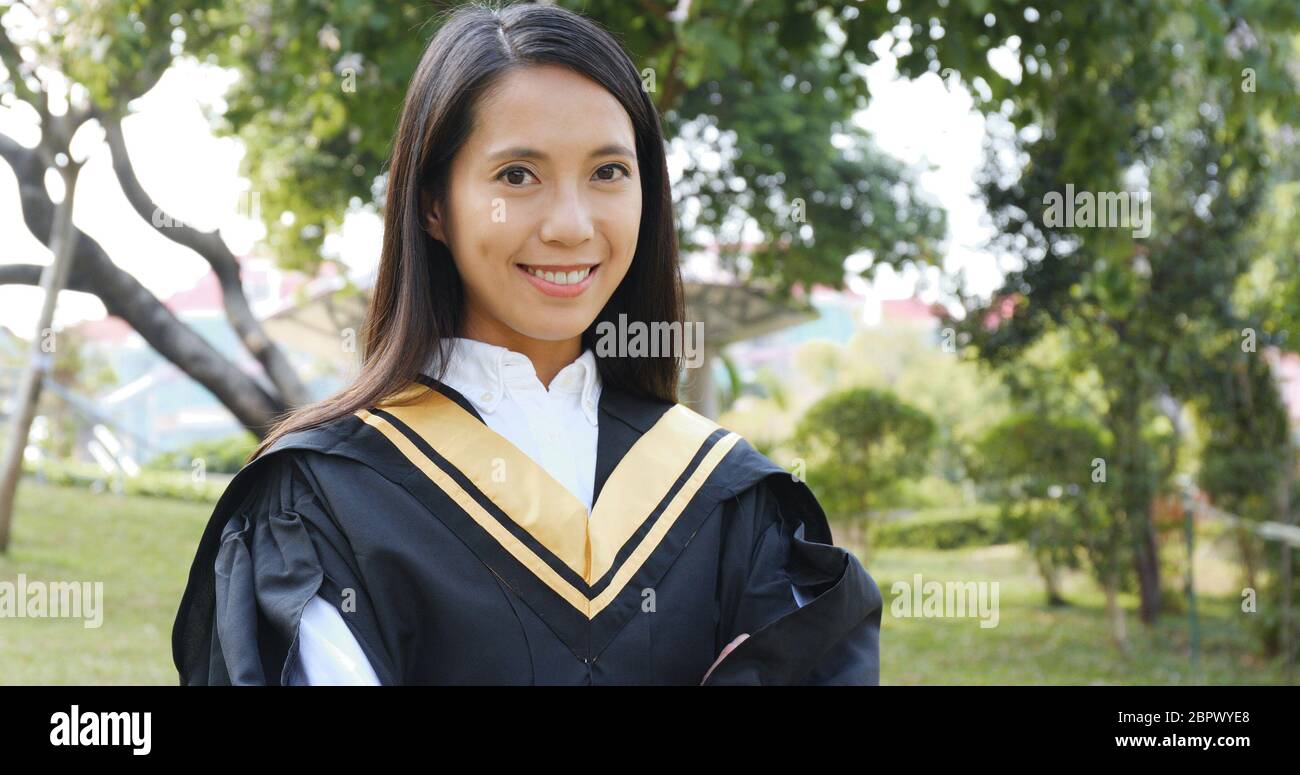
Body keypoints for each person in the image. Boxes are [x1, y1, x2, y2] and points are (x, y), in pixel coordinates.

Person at [171, 1, 882, 686]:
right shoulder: (325, 503)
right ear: (432, 204)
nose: (571, 224)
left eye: (609, 172)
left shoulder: (728, 499)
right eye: (518, 176)